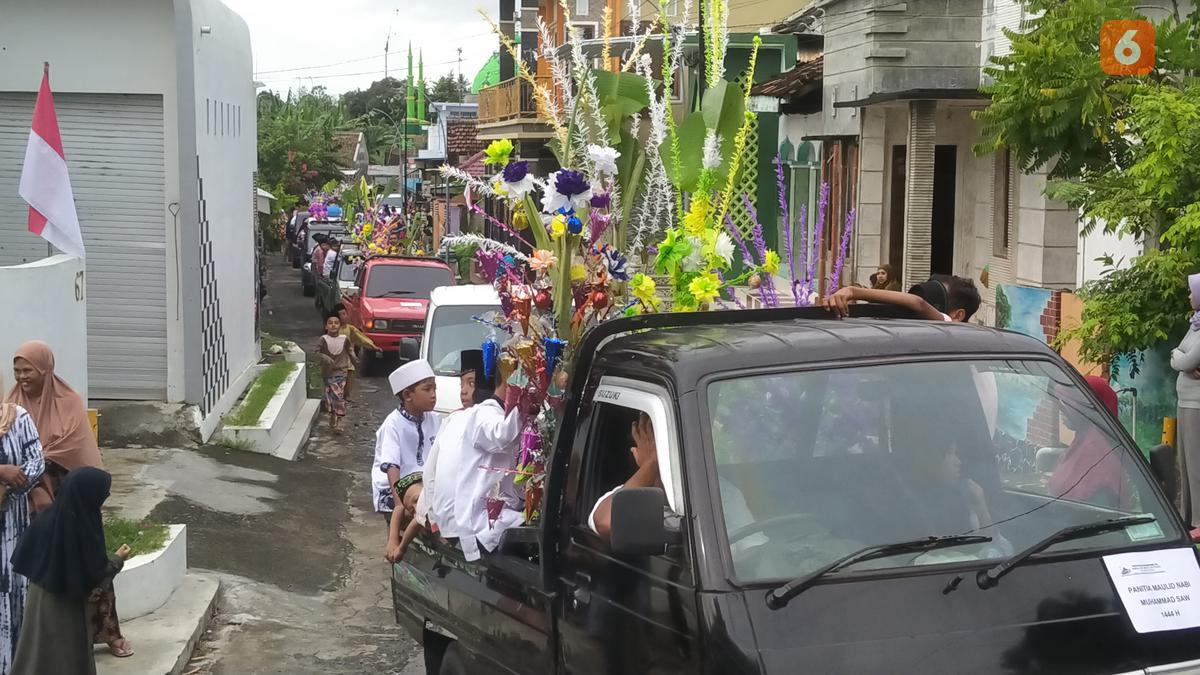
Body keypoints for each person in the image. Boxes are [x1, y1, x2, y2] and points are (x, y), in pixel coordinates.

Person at [5, 342, 132, 658]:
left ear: (45, 371)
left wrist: (37, 464)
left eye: (28, 370)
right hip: (30, 498)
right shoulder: (11, 405)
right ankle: (42, 635)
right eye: (17, 370)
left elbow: (73, 445)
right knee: (43, 569)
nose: (22, 377)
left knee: (89, 561)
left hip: (69, 494)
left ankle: (108, 633)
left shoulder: (69, 400)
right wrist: (32, 485)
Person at [9, 467, 131, 675]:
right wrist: (118, 559)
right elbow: (95, 576)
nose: (105, 498)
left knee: (35, 656)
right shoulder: (82, 531)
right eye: (103, 494)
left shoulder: (48, 520)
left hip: (37, 603)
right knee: (66, 660)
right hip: (67, 612)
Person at [389, 350, 481, 562]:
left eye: (471, 384)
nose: (464, 392)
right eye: (461, 385)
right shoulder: (451, 420)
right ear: (407, 395)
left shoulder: (441, 419)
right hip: (416, 488)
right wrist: (402, 509)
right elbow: (392, 466)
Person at [444, 353, 524, 562]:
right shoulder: (483, 414)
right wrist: (525, 401)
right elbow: (502, 436)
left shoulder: (508, 415)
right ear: (510, 381)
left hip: (506, 514)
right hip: (481, 523)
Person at [0, 372, 45, 674]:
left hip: (13, 527)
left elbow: (37, 460)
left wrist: (8, 488)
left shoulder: (17, 417)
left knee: (15, 594)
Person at [1047, 376, 1132, 509]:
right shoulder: (1084, 440)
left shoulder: (1096, 452)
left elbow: (1089, 513)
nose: (1063, 412)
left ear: (1088, 409)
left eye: (1070, 404)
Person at [372, 360, 439, 528]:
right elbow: (391, 467)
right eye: (427, 389)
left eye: (434, 389)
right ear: (408, 395)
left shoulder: (434, 419)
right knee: (422, 507)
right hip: (396, 490)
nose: (433, 394)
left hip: (423, 485)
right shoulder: (393, 424)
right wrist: (399, 505)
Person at [823, 274, 982, 322]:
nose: (930, 305)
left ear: (958, 315)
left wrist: (853, 292)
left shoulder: (950, 326)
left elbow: (918, 304)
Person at [1170, 273, 1200, 531]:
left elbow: (1187, 361)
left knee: (1196, 462)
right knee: (1184, 461)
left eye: (1192, 291)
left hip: (1196, 405)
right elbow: (1178, 355)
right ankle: (1186, 515)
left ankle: (1199, 520)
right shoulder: (1195, 325)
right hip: (1185, 401)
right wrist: (1178, 356)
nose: (1189, 296)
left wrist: (1181, 359)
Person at [315, 314, 357, 434]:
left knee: (339, 395)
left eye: (336, 323)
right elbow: (316, 353)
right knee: (330, 397)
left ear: (340, 326)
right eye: (330, 323)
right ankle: (333, 414)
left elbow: (350, 350)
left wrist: (354, 359)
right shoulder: (323, 339)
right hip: (328, 373)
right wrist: (325, 358)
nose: (333, 325)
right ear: (326, 326)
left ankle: (339, 422)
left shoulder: (344, 339)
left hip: (341, 372)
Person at [333, 303, 380, 402]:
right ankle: (338, 397)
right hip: (337, 360)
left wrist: (372, 346)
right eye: (341, 314)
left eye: (344, 314)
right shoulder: (334, 329)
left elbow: (361, 337)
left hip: (348, 359)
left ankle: (345, 396)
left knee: (350, 378)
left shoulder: (350, 329)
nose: (343, 316)